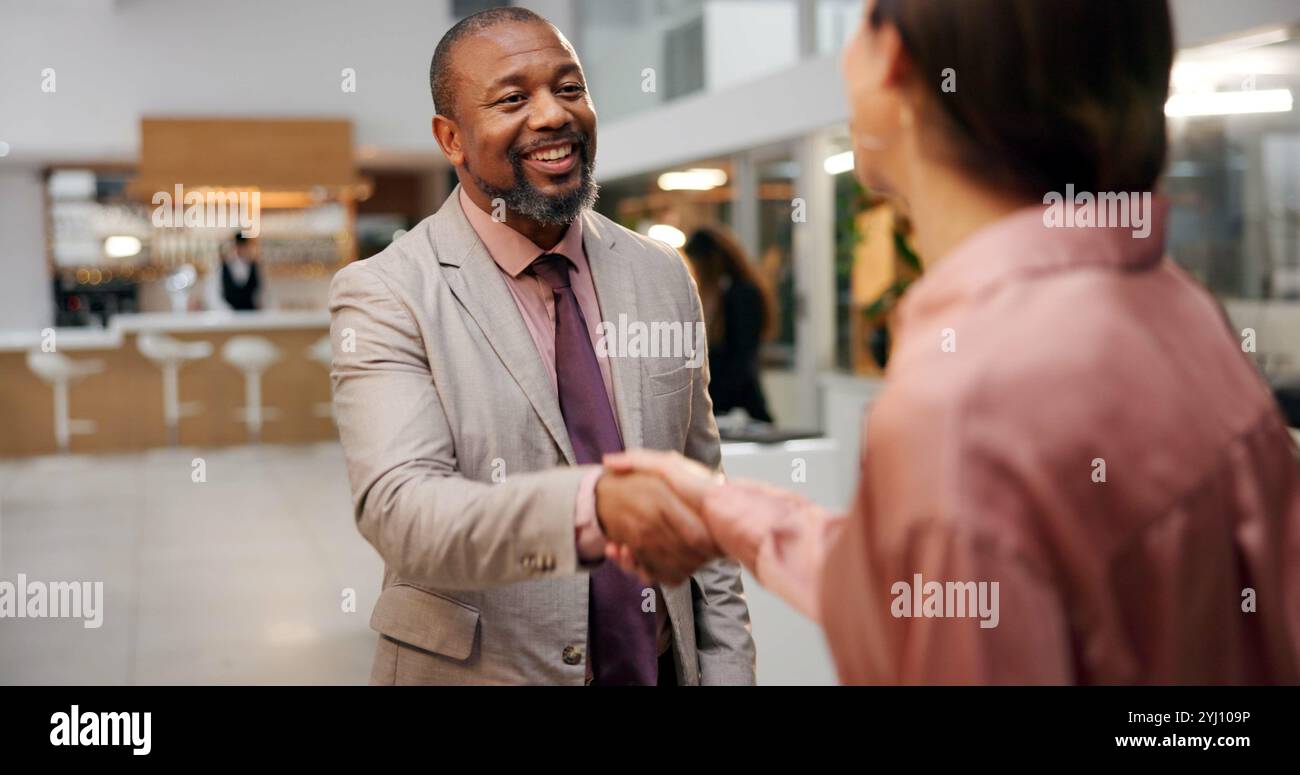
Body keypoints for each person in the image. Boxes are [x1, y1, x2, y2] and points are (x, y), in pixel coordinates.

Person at [606, 0, 1300, 684]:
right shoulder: (1182, 310)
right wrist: (727, 511)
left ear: (896, 64)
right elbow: (935, 587)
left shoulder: (967, 401)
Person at [328, 7, 754, 686]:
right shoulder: (387, 292)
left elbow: (703, 493)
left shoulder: (660, 272)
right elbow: (403, 511)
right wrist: (594, 505)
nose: (554, 115)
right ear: (452, 138)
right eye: (513, 98)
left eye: (570, 88)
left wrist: (729, 671)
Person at [683, 226, 775, 423]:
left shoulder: (742, 295)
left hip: (740, 408)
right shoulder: (718, 295)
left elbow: (742, 359)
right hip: (724, 405)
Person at [220, 233, 261, 310]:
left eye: (242, 246)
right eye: (237, 246)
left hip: (251, 313)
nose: (240, 249)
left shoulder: (254, 266)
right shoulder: (224, 267)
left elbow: (259, 292)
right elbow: (218, 293)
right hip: (229, 313)